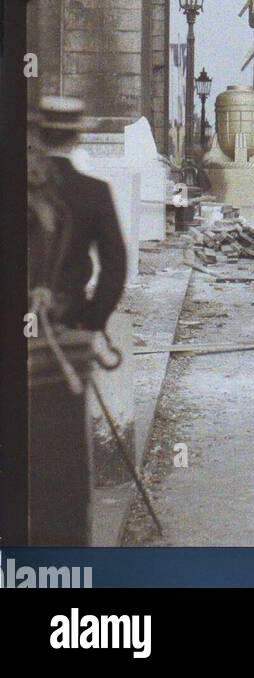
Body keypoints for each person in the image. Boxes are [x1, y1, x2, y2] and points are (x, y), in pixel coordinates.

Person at [28, 96, 127, 545]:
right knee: (61, 450)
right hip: (65, 337)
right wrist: (91, 322)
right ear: (78, 133)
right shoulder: (93, 192)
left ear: (40, 133)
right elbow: (115, 268)